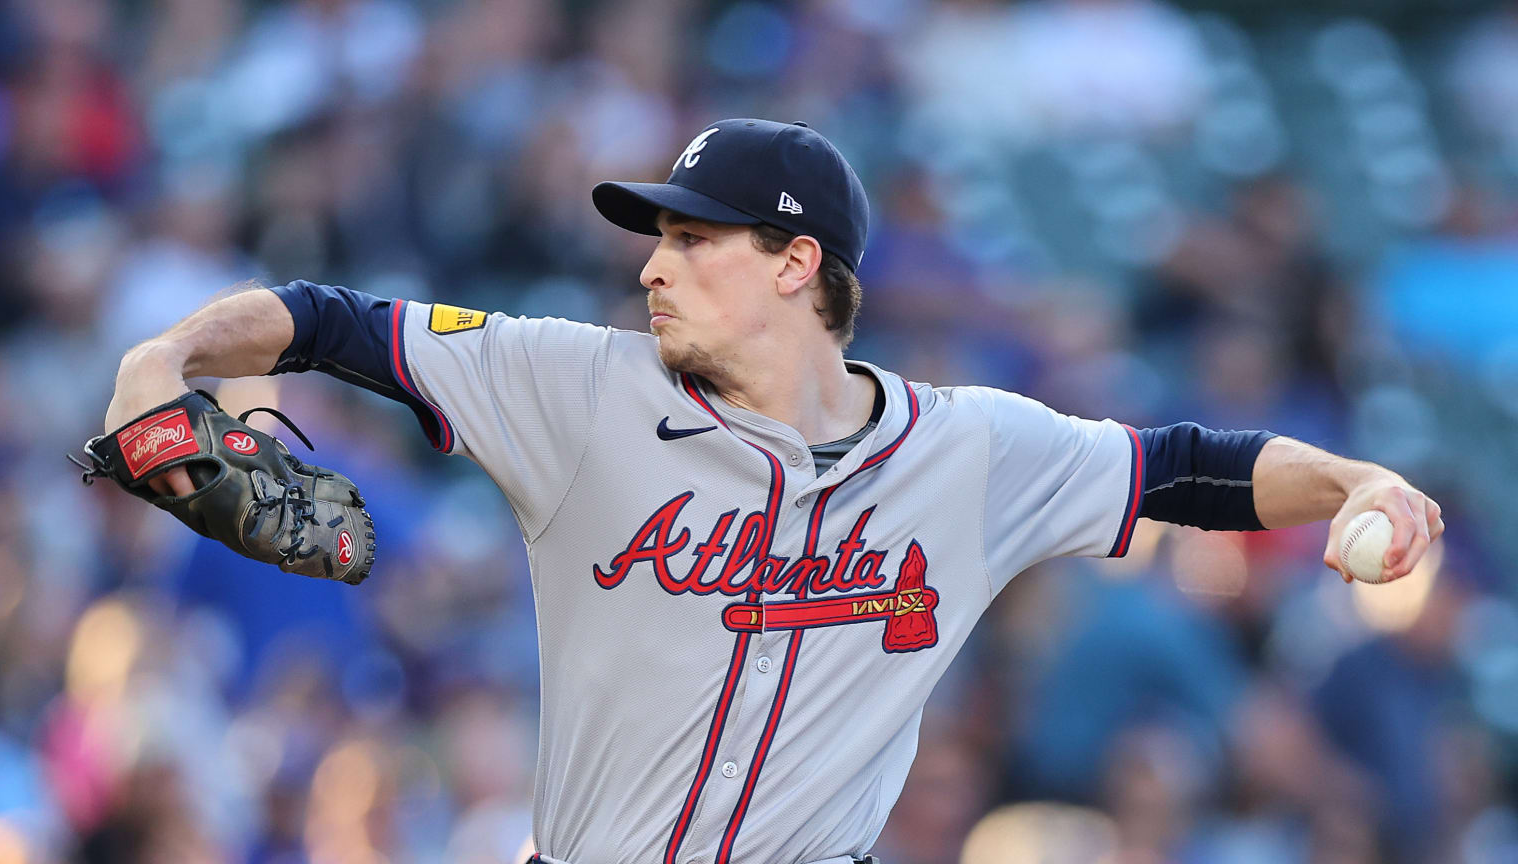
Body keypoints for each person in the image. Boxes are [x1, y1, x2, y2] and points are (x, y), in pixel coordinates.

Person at [102, 119, 1443, 864]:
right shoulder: (573, 386)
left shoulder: (967, 447)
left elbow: (1185, 469)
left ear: (799, 266)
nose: (656, 267)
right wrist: (162, 361)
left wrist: (1355, 479)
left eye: (694, 239)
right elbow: (324, 319)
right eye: (657, 239)